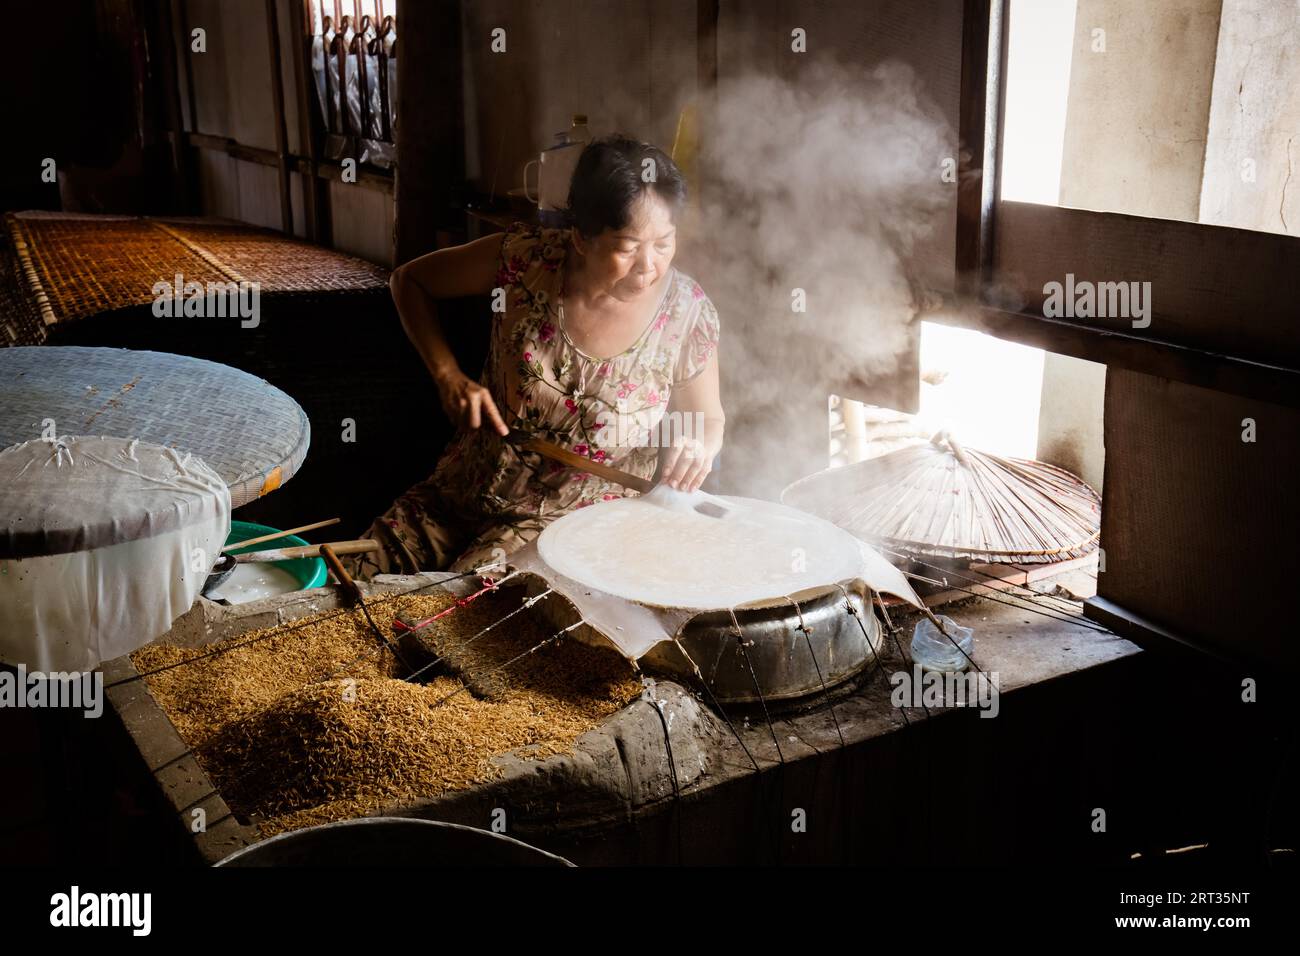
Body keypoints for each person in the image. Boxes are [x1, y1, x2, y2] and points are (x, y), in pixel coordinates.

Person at [350, 135, 725, 577]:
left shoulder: (686, 314)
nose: (648, 266)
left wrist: (697, 446)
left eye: (664, 243)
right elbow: (408, 282)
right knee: (350, 575)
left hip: (565, 525)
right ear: (581, 239)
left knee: (445, 611)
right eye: (627, 247)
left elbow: (709, 419)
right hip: (461, 490)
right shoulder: (527, 260)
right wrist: (447, 373)